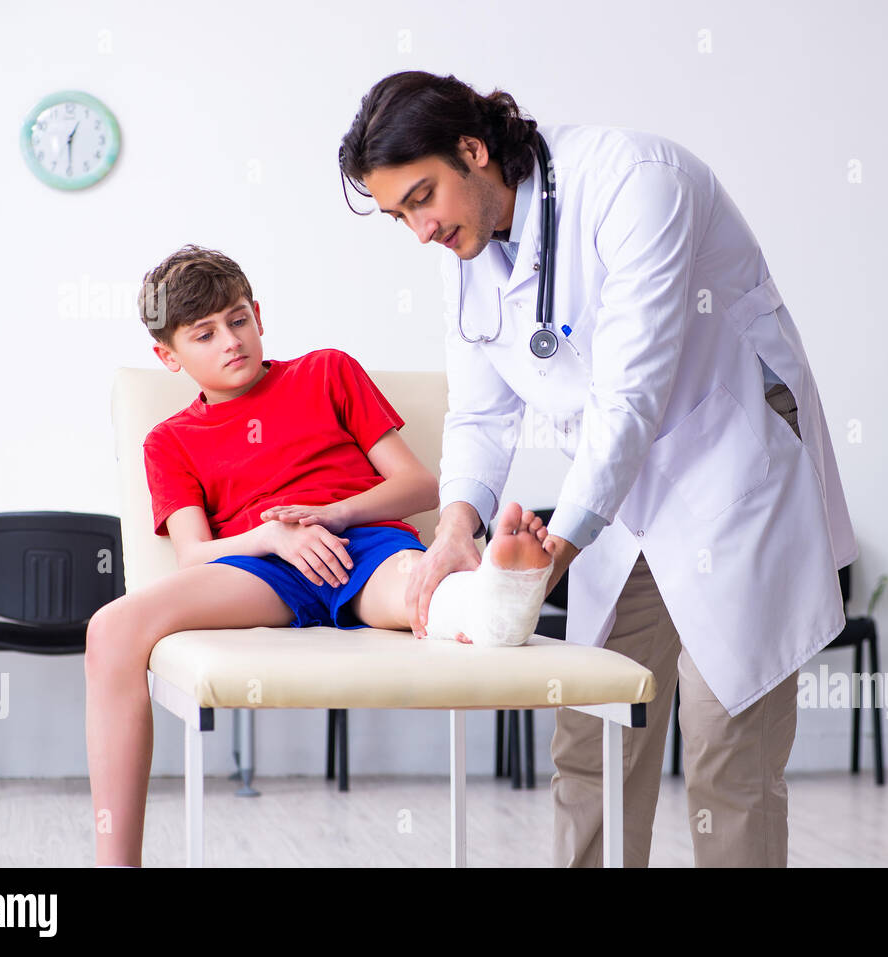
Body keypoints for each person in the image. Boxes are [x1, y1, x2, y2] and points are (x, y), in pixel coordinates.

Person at [339, 72, 859, 867]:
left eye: (421, 197)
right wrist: (454, 530)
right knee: (592, 733)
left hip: (729, 460)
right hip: (617, 482)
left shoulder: (638, 182)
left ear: (474, 151)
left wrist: (546, 561)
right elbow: (481, 411)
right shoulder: (465, 245)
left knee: (729, 743)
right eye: (399, 214)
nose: (419, 230)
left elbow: (632, 395)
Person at [85, 244, 552, 867]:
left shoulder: (325, 372)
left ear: (258, 313)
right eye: (205, 334)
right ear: (168, 355)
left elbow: (417, 486)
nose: (231, 341)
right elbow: (195, 555)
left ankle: (491, 599)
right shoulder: (169, 441)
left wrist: (332, 515)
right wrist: (273, 536)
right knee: (110, 627)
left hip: (364, 544)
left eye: (239, 320)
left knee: (421, 588)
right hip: (259, 568)